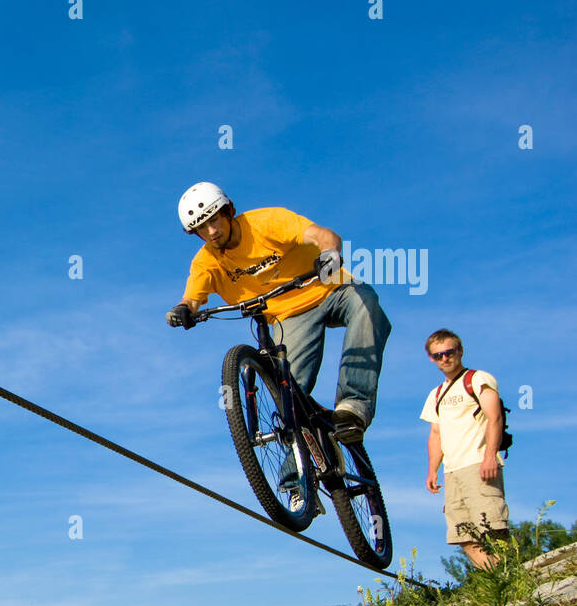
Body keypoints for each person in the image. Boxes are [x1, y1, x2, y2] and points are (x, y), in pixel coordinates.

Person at [166, 182, 391, 447]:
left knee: (367, 305)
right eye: (202, 228)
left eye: (215, 220)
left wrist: (329, 254)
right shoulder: (207, 262)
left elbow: (324, 236)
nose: (211, 232)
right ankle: (297, 482)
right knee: (288, 398)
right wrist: (182, 310)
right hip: (289, 317)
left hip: (329, 289)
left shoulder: (266, 222)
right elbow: (192, 298)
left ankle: (353, 405)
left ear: (229, 211)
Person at [420, 329, 509, 569]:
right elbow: (435, 434)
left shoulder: (478, 379)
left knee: (492, 527)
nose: (445, 358)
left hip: (478, 463)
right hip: (452, 471)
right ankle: (495, 580)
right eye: (438, 355)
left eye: (449, 352)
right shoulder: (435, 394)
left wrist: (490, 456)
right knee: (464, 534)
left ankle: (510, 577)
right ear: (431, 358)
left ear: (460, 351)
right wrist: (432, 471)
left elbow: (495, 418)